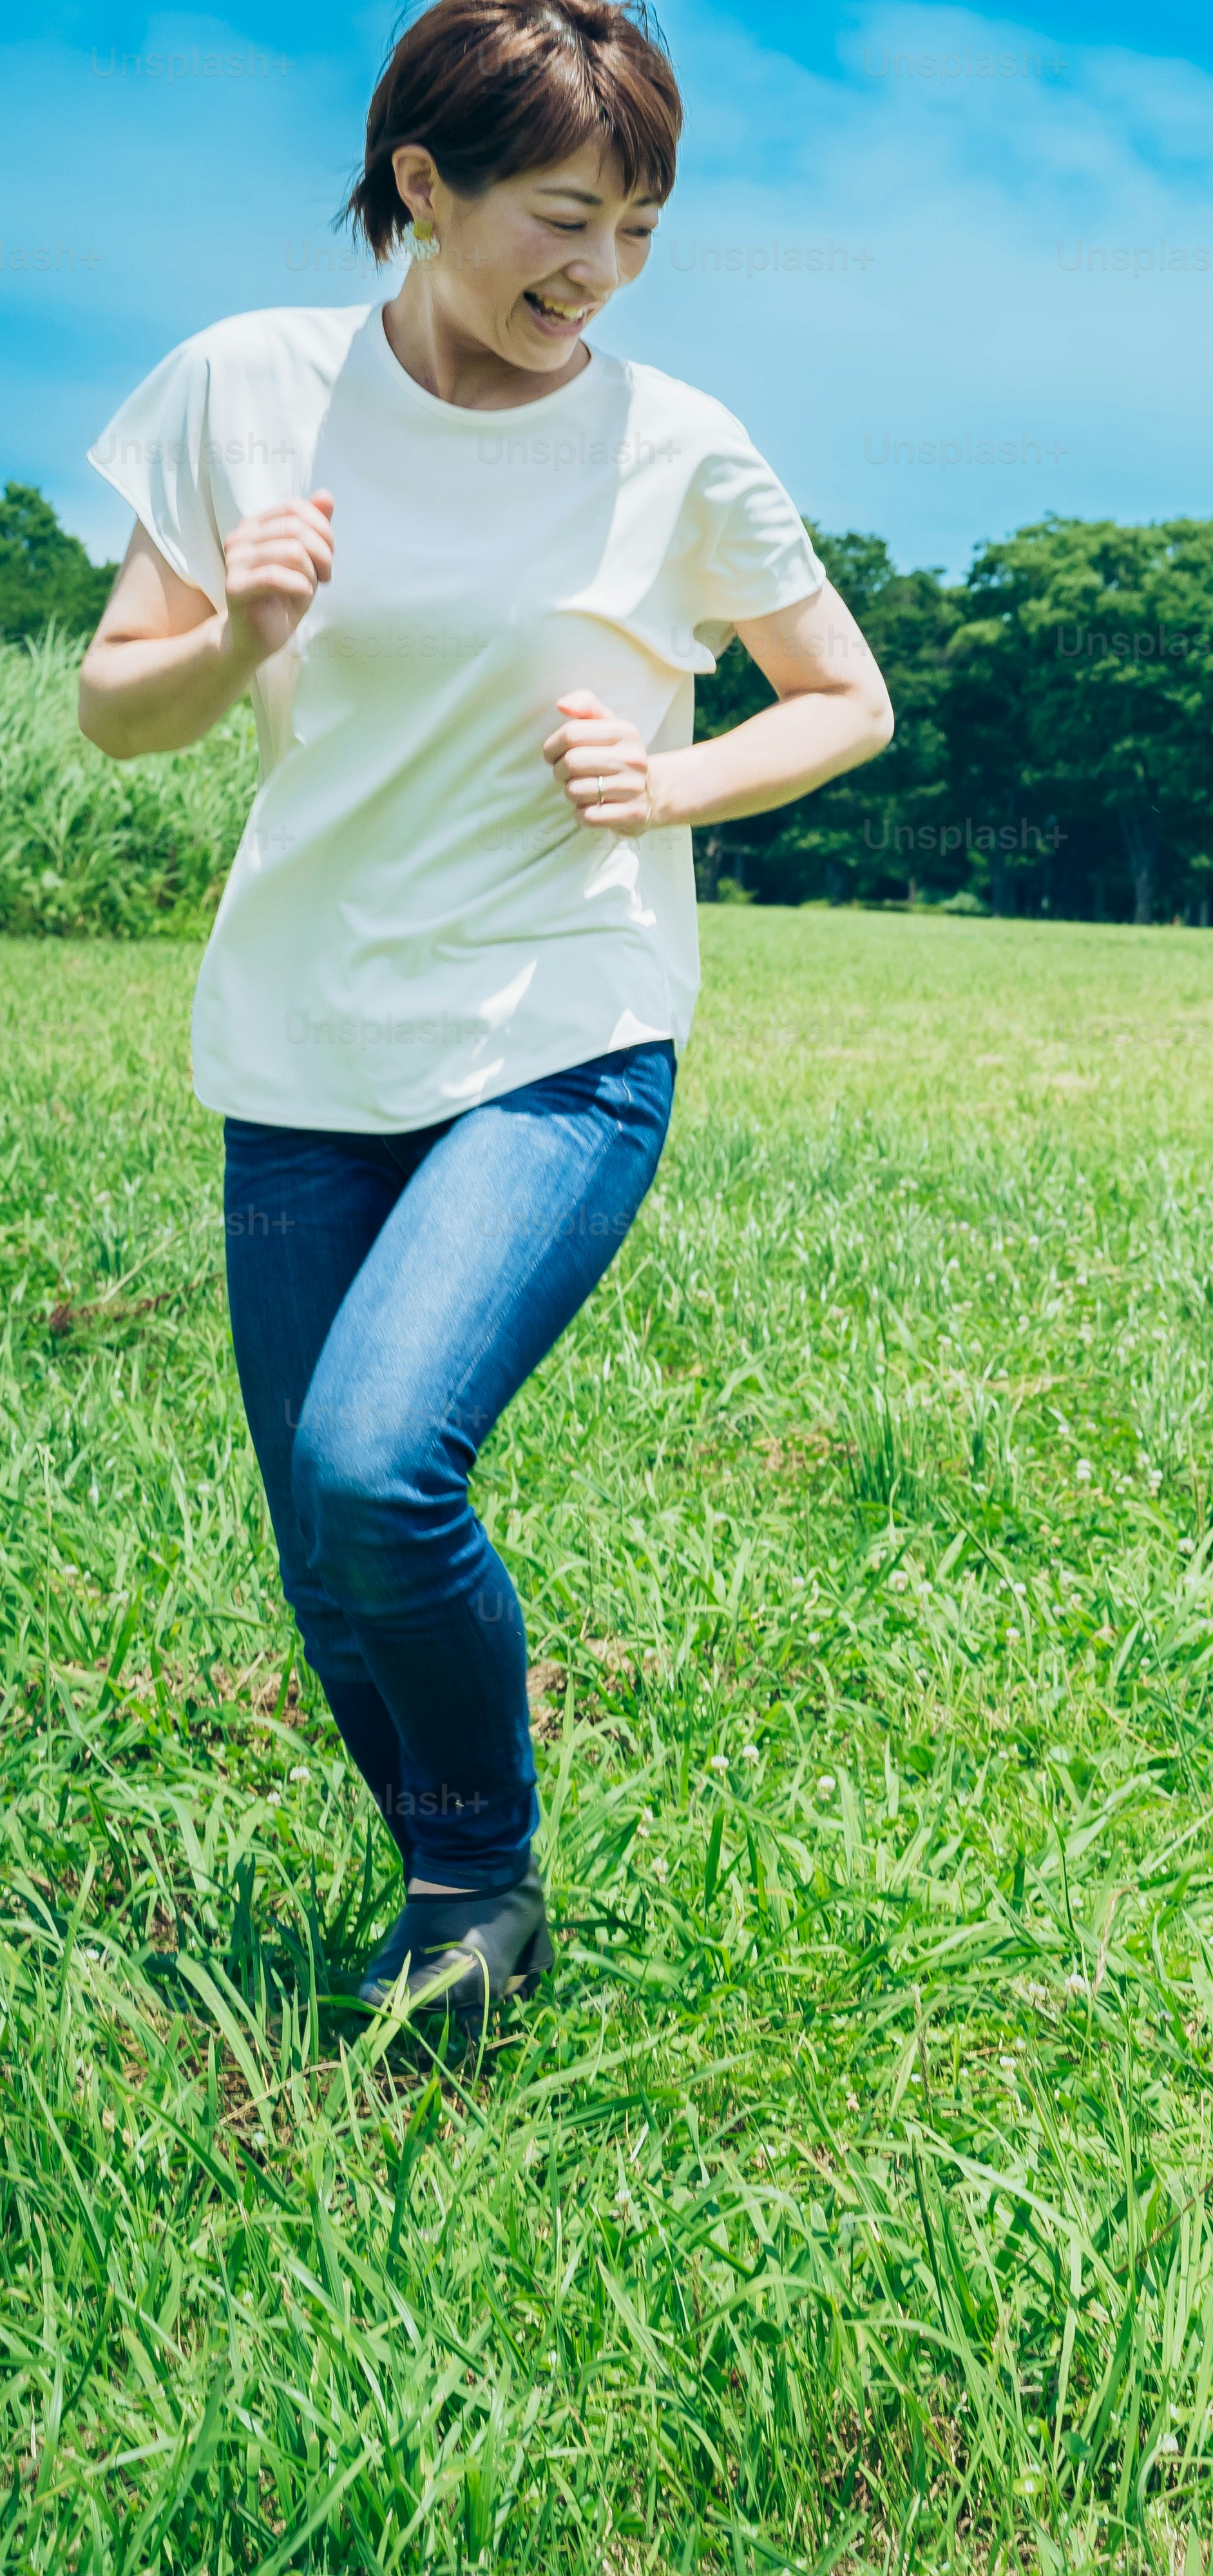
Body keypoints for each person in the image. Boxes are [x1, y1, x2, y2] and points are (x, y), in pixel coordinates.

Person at [77, 0, 893, 2022]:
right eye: (560, 217)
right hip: (299, 1038)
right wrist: (242, 629)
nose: (596, 274)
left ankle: (473, 1892)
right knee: (318, 1560)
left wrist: (672, 780)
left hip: (561, 1026)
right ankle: (457, 1884)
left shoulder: (680, 446)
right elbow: (117, 707)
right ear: (420, 188)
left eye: (637, 230)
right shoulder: (243, 390)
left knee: (375, 1467)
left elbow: (846, 696)